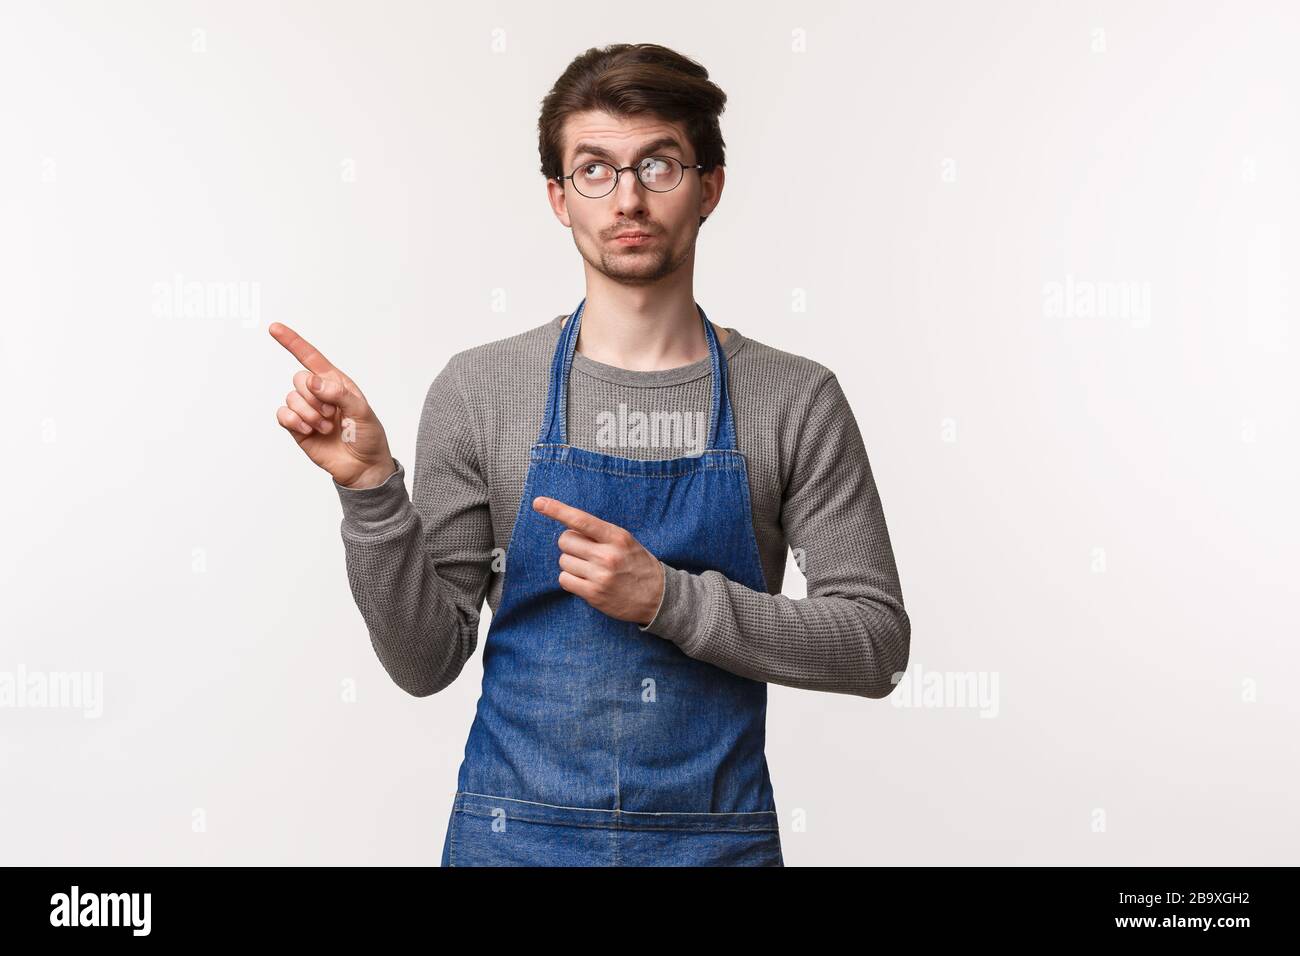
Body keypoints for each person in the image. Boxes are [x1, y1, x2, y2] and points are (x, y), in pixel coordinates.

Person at [270, 42, 910, 867]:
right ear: (559, 197)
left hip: (714, 847)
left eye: (659, 165)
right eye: (595, 170)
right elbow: (425, 662)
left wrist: (670, 600)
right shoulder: (479, 389)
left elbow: (875, 644)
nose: (628, 198)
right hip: (512, 843)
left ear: (710, 187)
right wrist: (370, 492)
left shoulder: (794, 398)